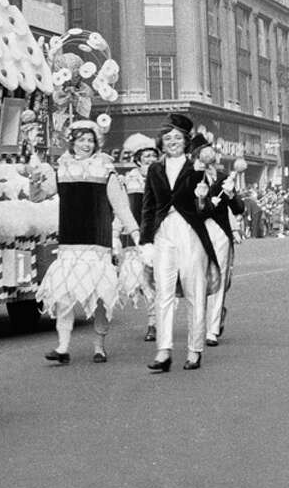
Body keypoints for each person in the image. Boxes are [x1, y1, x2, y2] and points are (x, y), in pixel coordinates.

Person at [35, 120, 141, 365]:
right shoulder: (61, 168)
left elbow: (121, 205)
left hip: (97, 242)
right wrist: (35, 176)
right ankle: (62, 347)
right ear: (72, 141)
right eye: (81, 139)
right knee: (62, 296)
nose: (86, 144)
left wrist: (135, 231)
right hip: (69, 243)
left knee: (101, 297)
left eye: (90, 140)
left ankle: (99, 345)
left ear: (97, 142)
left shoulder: (106, 169)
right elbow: (39, 196)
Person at [140, 114, 220, 373]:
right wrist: (146, 242)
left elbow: (206, 208)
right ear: (161, 143)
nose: (172, 142)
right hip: (164, 233)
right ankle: (164, 351)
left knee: (194, 291)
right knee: (163, 292)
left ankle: (195, 349)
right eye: (167, 138)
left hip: (190, 232)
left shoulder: (196, 167)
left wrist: (201, 197)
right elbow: (148, 207)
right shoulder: (154, 169)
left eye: (177, 138)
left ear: (185, 142)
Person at [119, 132, 159, 341]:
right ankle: (153, 320)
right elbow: (121, 208)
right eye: (146, 156)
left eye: (153, 155)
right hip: (135, 237)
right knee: (141, 281)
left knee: (155, 281)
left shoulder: (163, 178)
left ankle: (154, 322)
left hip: (157, 235)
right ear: (137, 159)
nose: (150, 159)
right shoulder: (127, 180)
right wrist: (116, 233)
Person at [204, 156, 245, 347]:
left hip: (220, 234)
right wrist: (204, 203)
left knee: (219, 279)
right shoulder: (189, 178)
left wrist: (230, 195)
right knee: (197, 281)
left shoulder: (224, 178)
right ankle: (205, 320)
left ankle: (211, 329)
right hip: (197, 232)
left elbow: (238, 208)